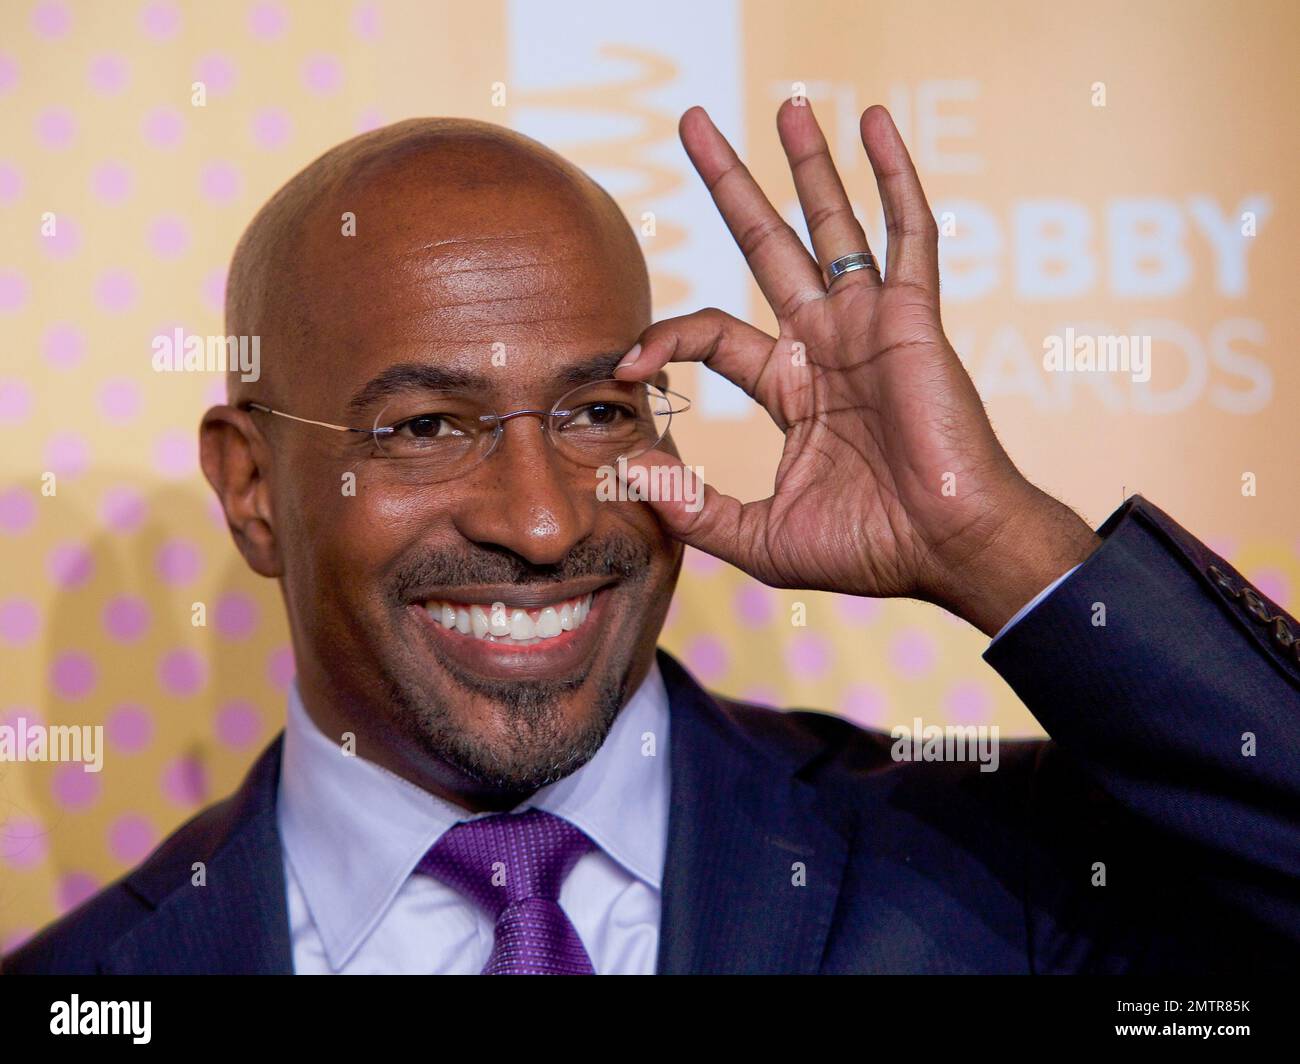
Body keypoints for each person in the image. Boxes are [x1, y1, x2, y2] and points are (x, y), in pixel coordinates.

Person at [6, 102, 1296, 975]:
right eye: (423, 427)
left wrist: (998, 544)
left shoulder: (1004, 877)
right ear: (248, 489)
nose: (545, 517)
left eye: (596, 411)